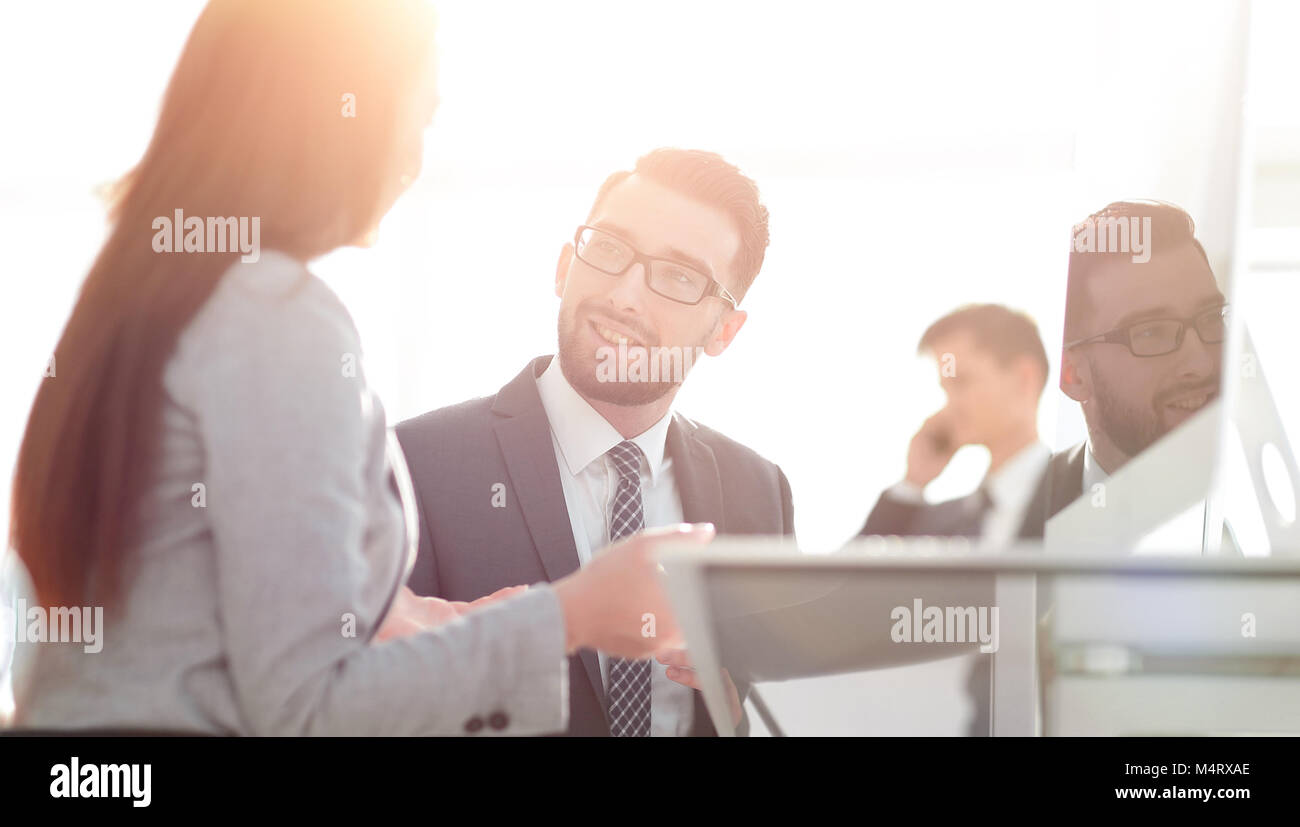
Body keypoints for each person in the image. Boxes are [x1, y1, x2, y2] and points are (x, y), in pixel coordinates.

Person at [7, 0, 705, 736]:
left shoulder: (150, 297)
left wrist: (430, 623)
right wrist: (575, 611)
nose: (415, 154)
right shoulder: (277, 316)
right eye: (423, 115)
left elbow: (206, 624)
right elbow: (313, 707)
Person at [396, 148, 794, 736]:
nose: (626, 295)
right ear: (564, 267)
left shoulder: (759, 491)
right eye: (609, 249)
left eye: (680, 277)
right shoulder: (415, 465)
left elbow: (769, 711)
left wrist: (734, 714)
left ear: (724, 331)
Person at [1048, 199, 1226, 515]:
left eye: (1211, 317)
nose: (1201, 364)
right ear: (1072, 375)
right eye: (1150, 331)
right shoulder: (1003, 530)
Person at [859, 304, 1051, 544]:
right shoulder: (939, 521)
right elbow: (850, 580)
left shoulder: (1077, 498)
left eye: (961, 382)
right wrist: (913, 484)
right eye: (945, 388)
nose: (950, 406)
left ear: (1024, 378)